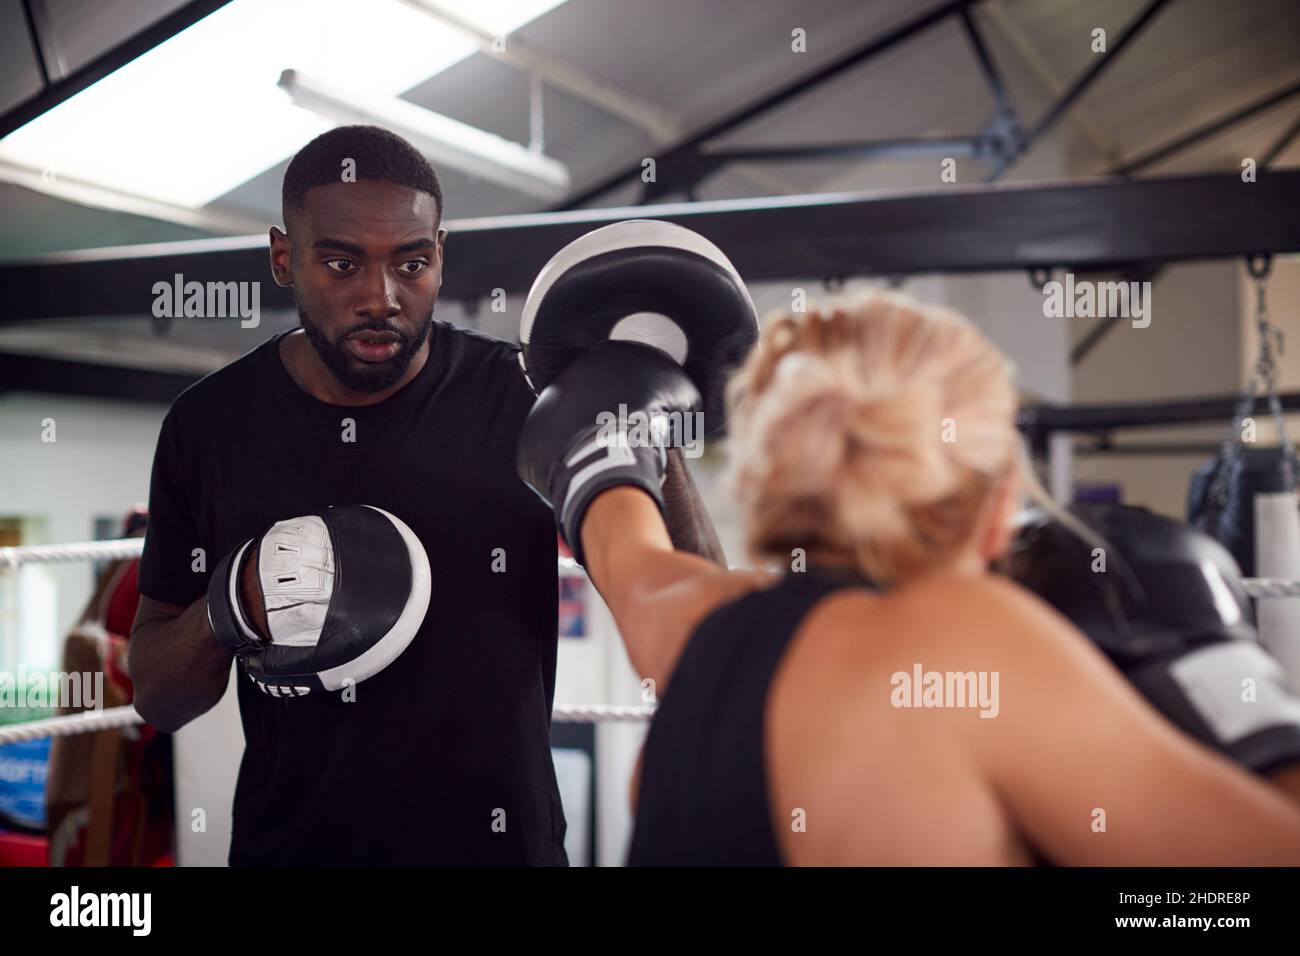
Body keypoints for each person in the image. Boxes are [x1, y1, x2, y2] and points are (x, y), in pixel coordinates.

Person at [517, 289, 1300, 865]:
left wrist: (600, 452)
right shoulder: (968, 639)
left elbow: (632, 562)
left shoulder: (697, 634)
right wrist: (1217, 673)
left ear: (774, 484)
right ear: (998, 501)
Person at [128, 125, 721, 865]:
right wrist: (229, 608)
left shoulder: (522, 396)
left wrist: (634, 406)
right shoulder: (209, 427)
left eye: (411, 263)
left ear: (441, 255)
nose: (380, 298)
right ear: (283, 257)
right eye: (342, 263)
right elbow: (157, 695)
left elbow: (698, 622)